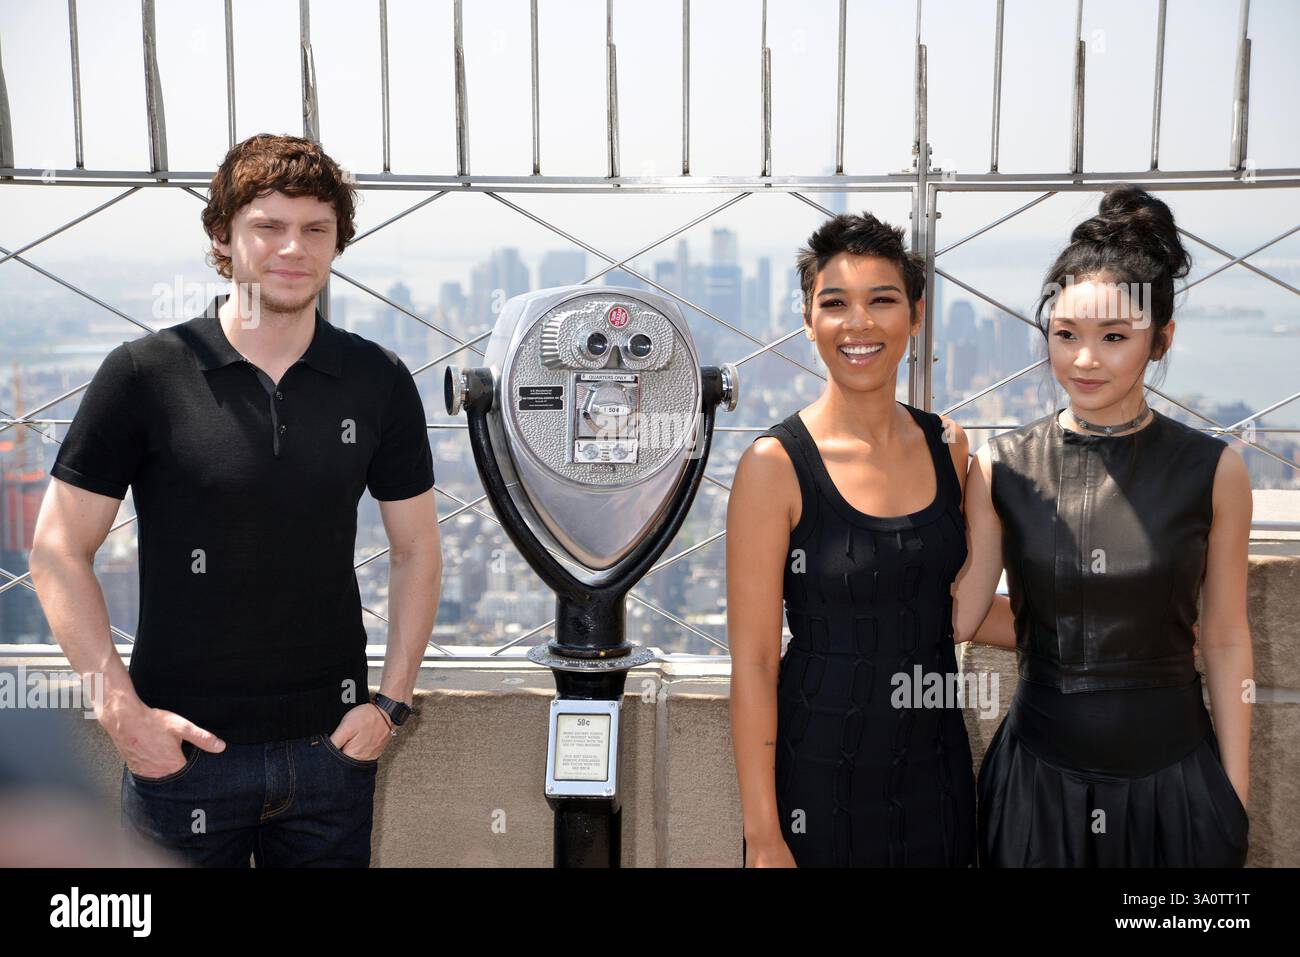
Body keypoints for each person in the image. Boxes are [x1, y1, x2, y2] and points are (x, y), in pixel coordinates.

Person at [29, 133, 443, 867]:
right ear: (222, 236)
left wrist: (391, 706)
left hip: (332, 755)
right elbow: (57, 548)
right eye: (268, 226)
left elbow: (416, 550)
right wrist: (120, 712)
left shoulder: (376, 379)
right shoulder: (145, 373)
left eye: (317, 228)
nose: (294, 247)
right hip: (181, 753)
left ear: (338, 241)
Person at [952, 185, 1254, 867]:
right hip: (1035, 792)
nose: (1084, 360)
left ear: (1160, 339)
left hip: (1177, 791)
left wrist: (1231, 795)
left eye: (1114, 337)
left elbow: (1229, 635)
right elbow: (963, 616)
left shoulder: (1215, 471)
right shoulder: (1002, 467)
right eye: (1066, 336)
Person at [728, 211, 978, 867]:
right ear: (809, 322)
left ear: (917, 315)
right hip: (818, 779)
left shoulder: (949, 445)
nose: (858, 323)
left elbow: (954, 605)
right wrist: (763, 836)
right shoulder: (773, 465)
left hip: (938, 775)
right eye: (834, 303)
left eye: (883, 300)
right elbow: (753, 662)